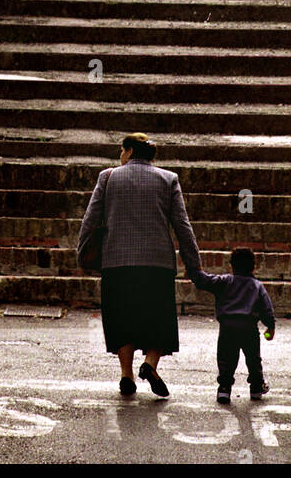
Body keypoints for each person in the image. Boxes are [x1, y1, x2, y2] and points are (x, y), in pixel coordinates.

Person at [77, 133, 202, 399]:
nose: (120, 155)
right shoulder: (169, 179)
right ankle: (150, 365)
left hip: (117, 261)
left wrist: (82, 254)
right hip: (157, 264)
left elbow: (90, 220)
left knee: (122, 318)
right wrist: (194, 265)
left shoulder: (108, 177)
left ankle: (126, 374)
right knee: (157, 319)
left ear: (130, 151)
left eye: (122, 150)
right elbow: (182, 226)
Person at [187, 246, 275, 403]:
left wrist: (194, 271)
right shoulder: (257, 286)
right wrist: (270, 326)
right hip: (249, 328)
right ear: (254, 266)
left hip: (227, 327)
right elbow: (266, 308)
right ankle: (256, 387)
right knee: (254, 359)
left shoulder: (224, 281)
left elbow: (203, 281)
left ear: (232, 266)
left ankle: (224, 389)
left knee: (226, 359)